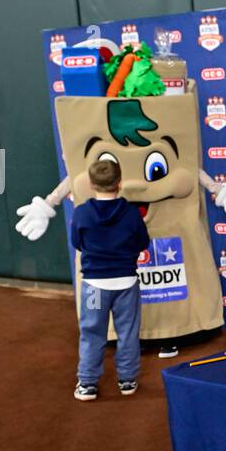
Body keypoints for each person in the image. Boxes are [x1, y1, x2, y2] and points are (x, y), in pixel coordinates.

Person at [70, 158, 150, 400]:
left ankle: (87, 383)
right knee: (127, 332)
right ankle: (127, 380)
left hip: (95, 287)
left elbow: (77, 244)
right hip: (126, 284)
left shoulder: (81, 213)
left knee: (92, 332)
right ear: (120, 183)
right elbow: (143, 243)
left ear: (92, 185)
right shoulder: (132, 214)